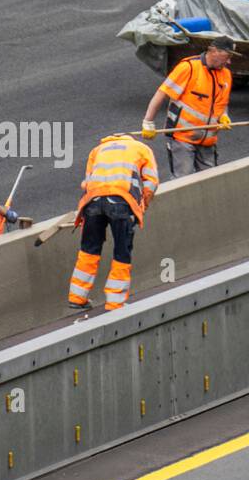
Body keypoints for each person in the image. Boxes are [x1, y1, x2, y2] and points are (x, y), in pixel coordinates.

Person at [67, 134, 159, 311]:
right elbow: (152, 181)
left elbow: (86, 184)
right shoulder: (141, 148)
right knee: (121, 251)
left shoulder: (97, 150)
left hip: (93, 201)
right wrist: (142, 205)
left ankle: (77, 297)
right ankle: (115, 302)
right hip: (121, 202)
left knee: (89, 249)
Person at [140, 38, 236, 178]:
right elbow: (162, 93)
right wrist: (148, 122)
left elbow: (222, 102)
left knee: (212, 181)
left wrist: (224, 116)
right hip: (182, 138)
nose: (229, 62)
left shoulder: (225, 75)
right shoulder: (189, 68)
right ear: (214, 51)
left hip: (208, 141)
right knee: (183, 181)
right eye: (227, 57)